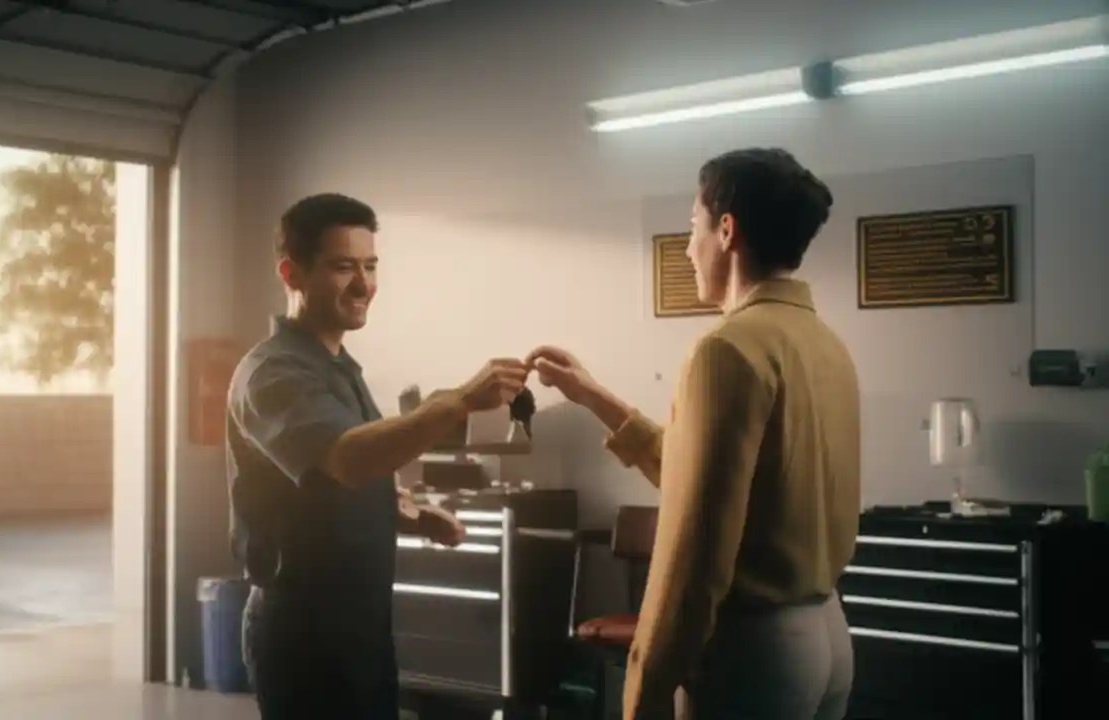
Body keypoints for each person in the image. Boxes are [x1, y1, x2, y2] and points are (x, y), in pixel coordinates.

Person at [529, 148, 859, 720]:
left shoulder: (727, 349)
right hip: (824, 633)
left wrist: (646, 685)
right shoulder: (822, 342)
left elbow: (694, 555)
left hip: (753, 650)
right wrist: (590, 395)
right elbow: (709, 481)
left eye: (691, 227)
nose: (686, 248)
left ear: (726, 231)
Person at [226, 193, 530, 719]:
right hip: (303, 632)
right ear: (290, 272)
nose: (364, 284)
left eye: (370, 266)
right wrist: (458, 401)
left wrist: (408, 514)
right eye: (343, 267)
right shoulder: (272, 375)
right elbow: (347, 458)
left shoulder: (340, 368)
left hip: (359, 625)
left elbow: (337, 481)